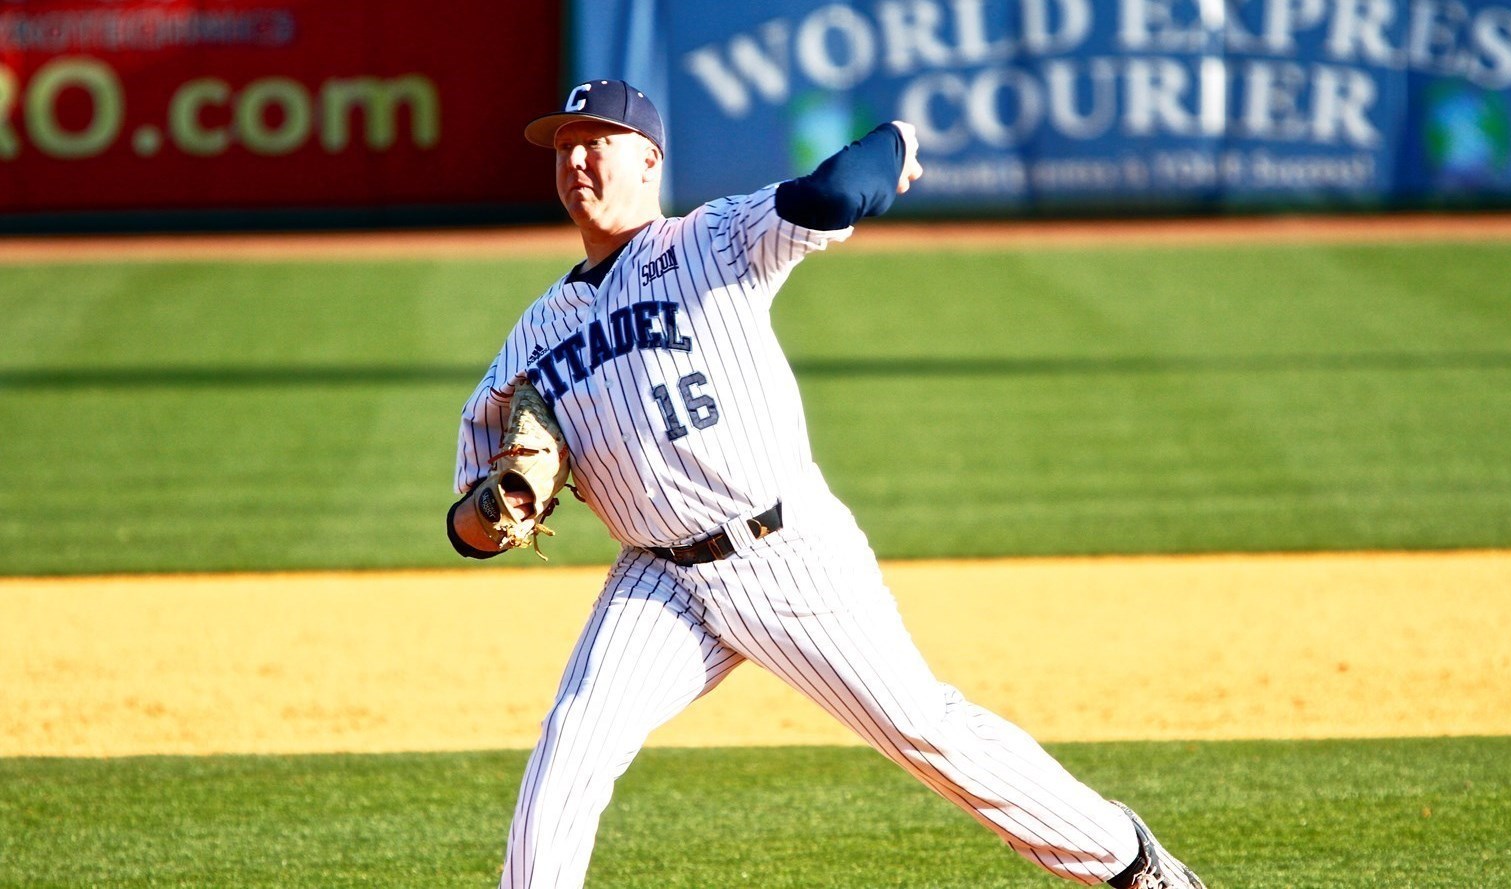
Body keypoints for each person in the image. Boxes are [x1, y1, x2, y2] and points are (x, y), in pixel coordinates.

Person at [446, 79, 1207, 889]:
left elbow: (836, 191)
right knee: (572, 742)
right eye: (564, 147)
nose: (576, 160)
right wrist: (496, 513)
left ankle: (1130, 863)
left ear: (649, 157)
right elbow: (466, 524)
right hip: (656, 579)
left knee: (923, 730)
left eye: (596, 140)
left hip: (785, 551)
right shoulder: (536, 331)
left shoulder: (711, 241)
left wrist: (898, 143)